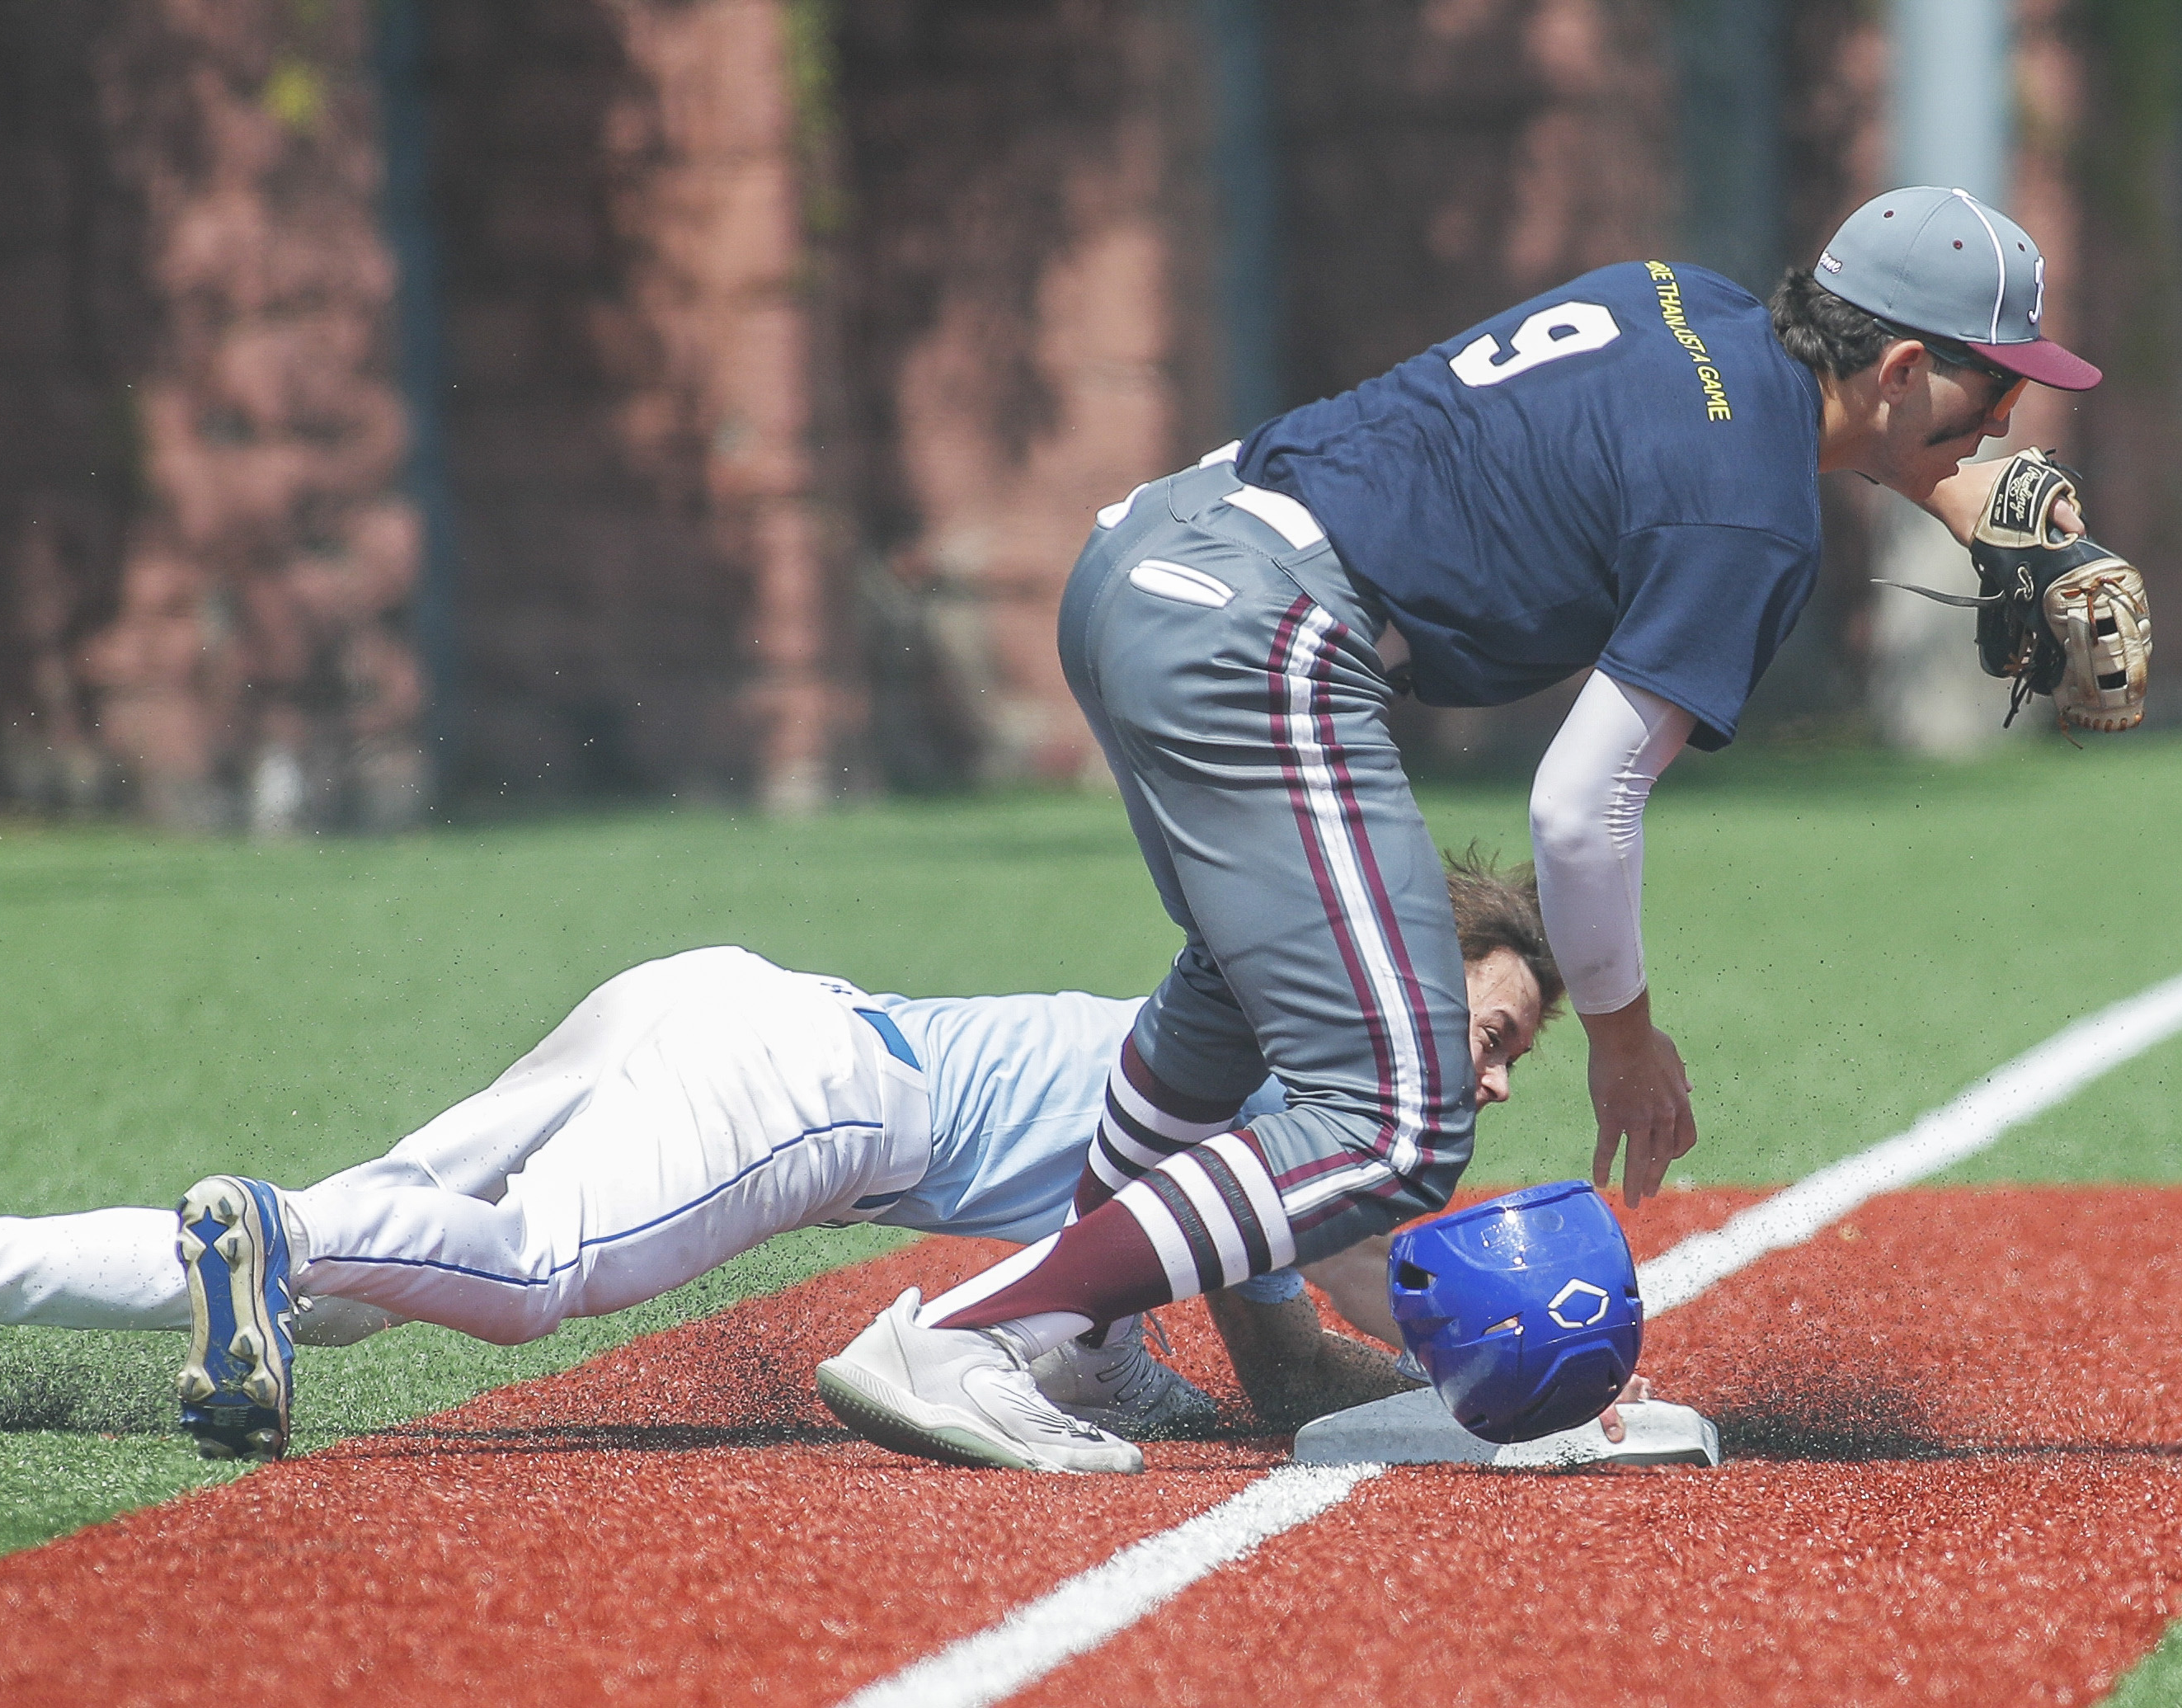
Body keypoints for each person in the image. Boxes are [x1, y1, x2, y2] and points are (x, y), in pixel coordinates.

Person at [813, 186, 2100, 1474]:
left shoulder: (1683, 299)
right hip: (1252, 627)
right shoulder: (1752, 513)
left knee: (1239, 986)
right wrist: (1624, 1040)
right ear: (1903, 366)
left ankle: (1072, 1344)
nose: (2006, 428)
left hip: (1147, 558)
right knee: (1398, 1118)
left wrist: (1932, 481)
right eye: (1998, 395)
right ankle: (976, 1335)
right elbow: (1580, 807)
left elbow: (1680, 434)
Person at [0, 854, 1560, 1463]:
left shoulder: (1259, 1053)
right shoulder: (1307, 1102)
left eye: (1514, 1051)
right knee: (523, 1280)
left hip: (722, 999)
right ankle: (266, 1223)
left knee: (354, 1292)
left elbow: (1172, 1329)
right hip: (807, 1087)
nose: (1491, 1068)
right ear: (1402, 980)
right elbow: (1298, 1357)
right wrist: (1507, 1389)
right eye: (1487, 1024)